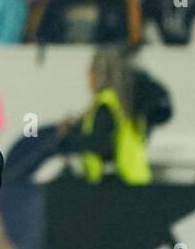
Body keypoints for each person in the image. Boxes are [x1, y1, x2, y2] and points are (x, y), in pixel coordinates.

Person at [59, 49, 155, 185]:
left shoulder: (105, 104)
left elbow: (99, 142)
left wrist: (69, 139)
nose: (87, 77)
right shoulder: (126, 100)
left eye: (89, 72)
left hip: (120, 181)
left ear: (97, 75)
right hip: (136, 177)